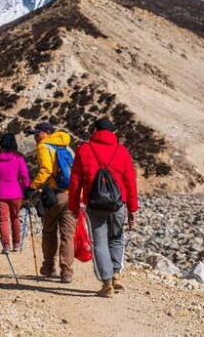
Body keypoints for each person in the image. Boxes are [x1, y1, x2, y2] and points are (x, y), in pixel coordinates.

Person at [68, 118, 139, 298]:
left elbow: (75, 181)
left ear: (94, 130)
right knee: (116, 237)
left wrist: (74, 206)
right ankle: (116, 274)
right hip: (117, 204)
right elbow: (130, 181)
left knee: (99, 242)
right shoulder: (122, 151)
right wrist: (132, 209)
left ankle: (106, 283)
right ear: (113, 133)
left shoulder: (84, 150)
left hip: (94, 203)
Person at [25, 122, 76, 283]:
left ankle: (48, 267)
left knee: (49, 231)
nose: (35, 137)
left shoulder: (43, 147)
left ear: (46, 133)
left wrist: (32, 187)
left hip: (54, 195)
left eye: (37, 133)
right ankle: (66, 271)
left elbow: (46, 170)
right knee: (68, 235)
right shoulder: (67, 147)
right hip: (72, 195)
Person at [0, 133, 30, 252]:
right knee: (15, 218)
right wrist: (26, 190)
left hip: (0, 193)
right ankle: (16, 244)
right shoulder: (18, 158)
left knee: (3, 219)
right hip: (16, 193)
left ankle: (6, 245)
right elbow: (24, 175)